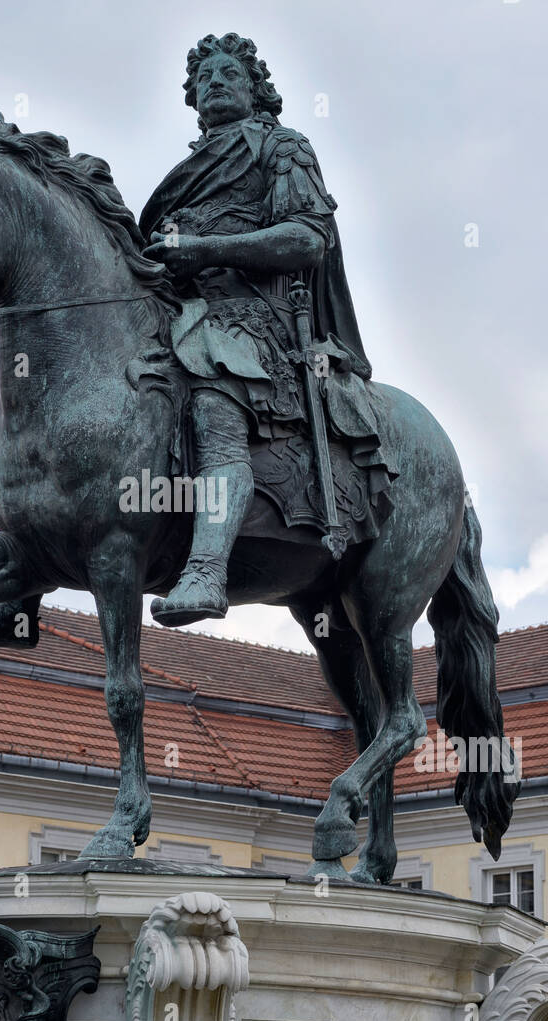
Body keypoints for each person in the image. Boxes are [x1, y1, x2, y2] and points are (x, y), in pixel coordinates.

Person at [140, 32, 393, 627]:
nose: (215, 83)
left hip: (256, 318)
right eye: (204, 79)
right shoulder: (184, 174)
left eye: (229, 74)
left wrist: (205, 250)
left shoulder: (282, 149)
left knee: (212, 394)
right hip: (179, 314)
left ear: (256, 88)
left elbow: (308, 237)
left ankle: (205, 571)